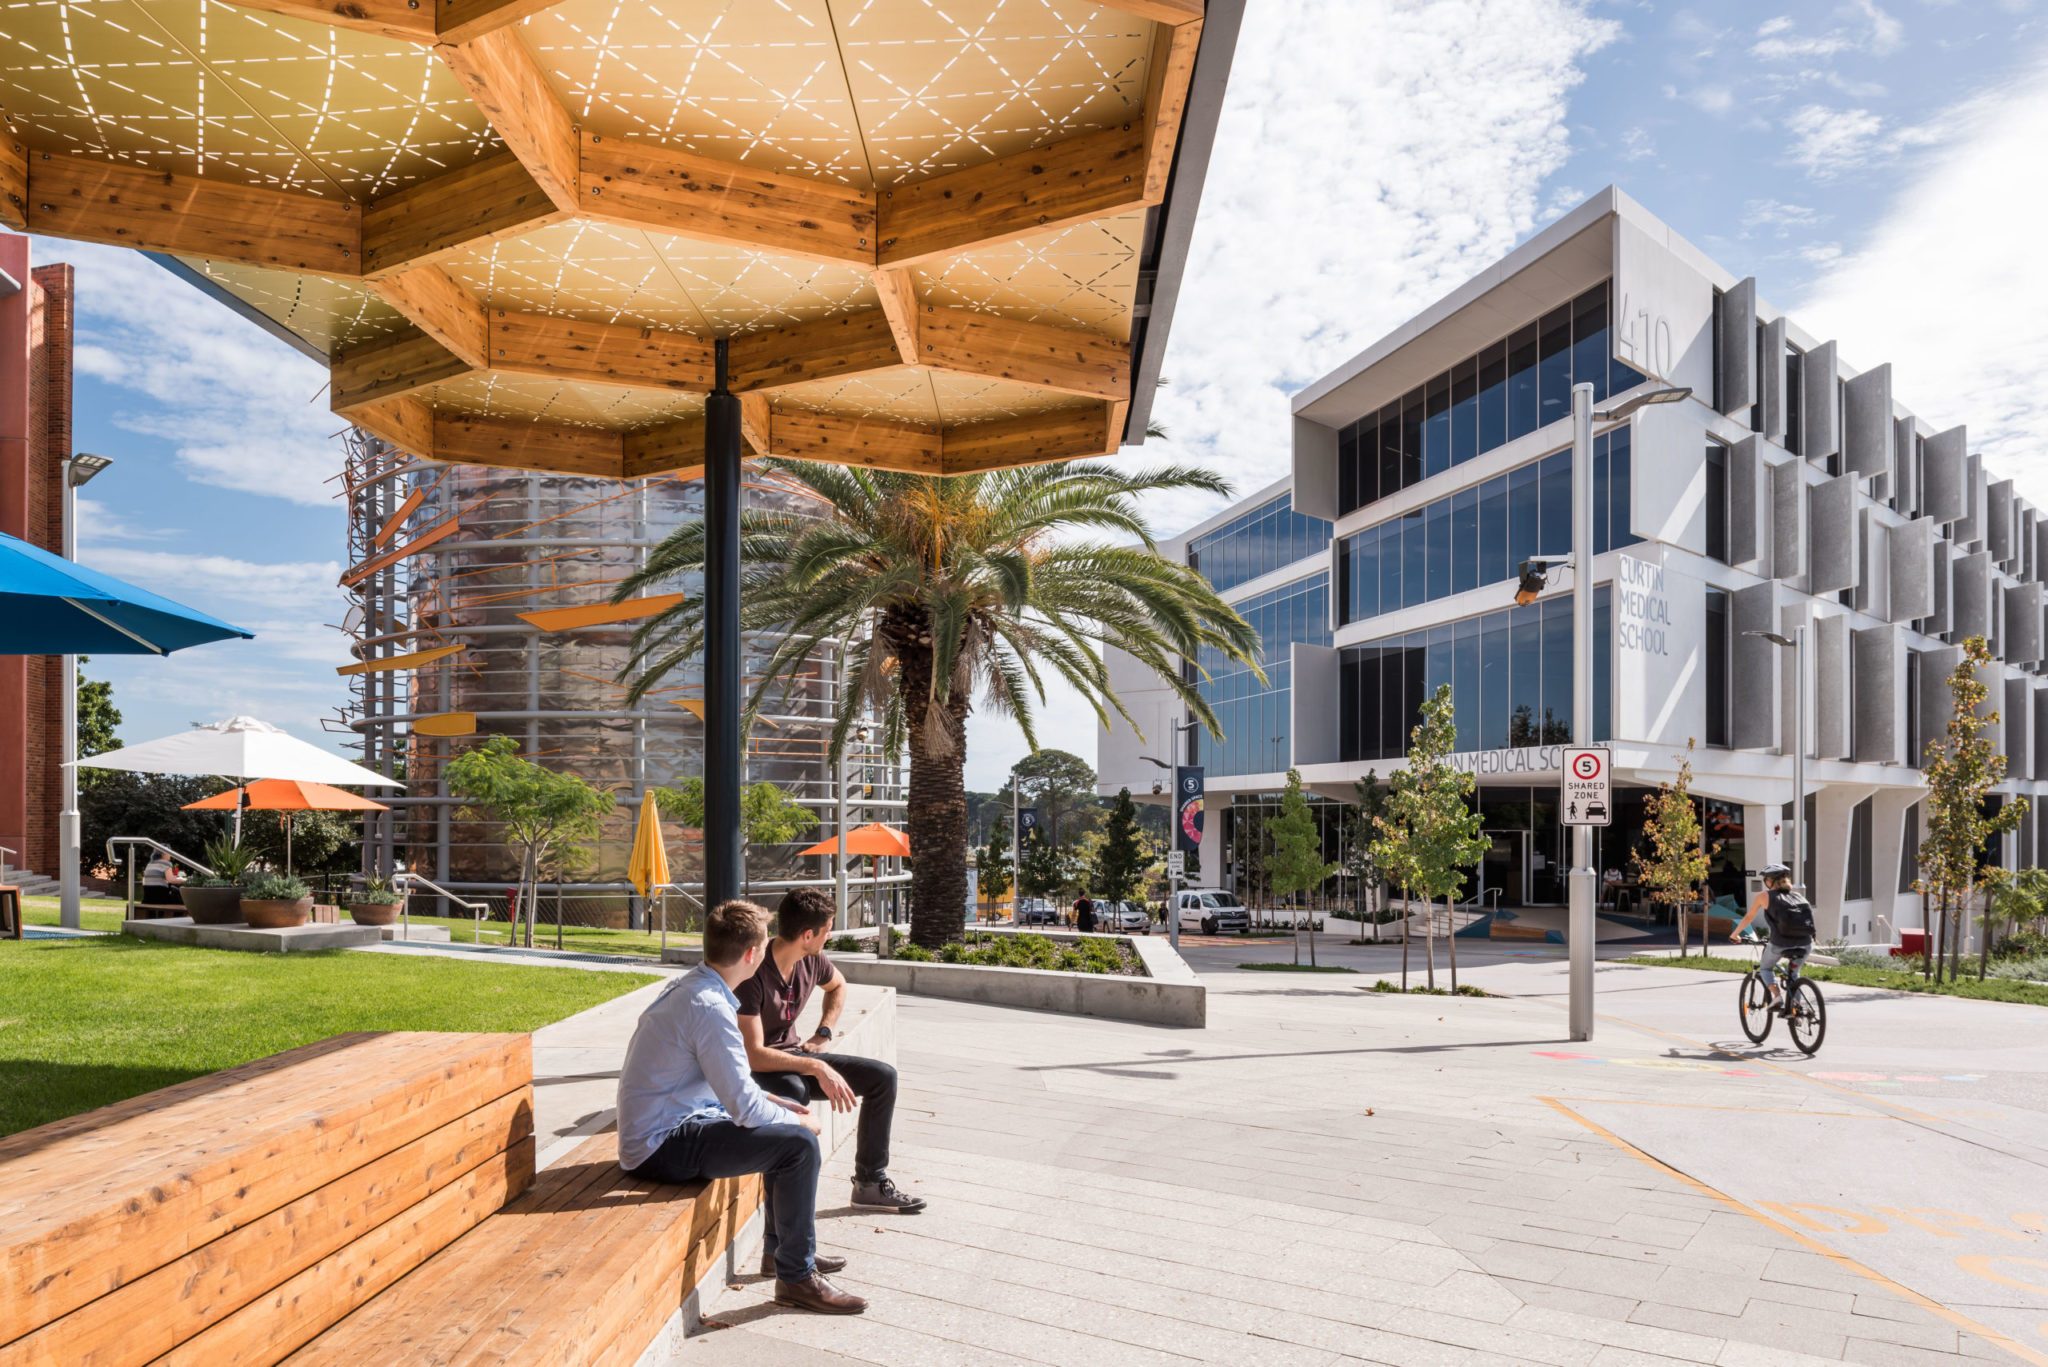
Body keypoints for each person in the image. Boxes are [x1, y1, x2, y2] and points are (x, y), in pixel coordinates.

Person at [615, 899, 866, 1315]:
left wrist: (778, 1101)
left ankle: (783, 1252)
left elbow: (730, 1088)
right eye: (765, 945)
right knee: (798, 1147)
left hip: (673, 1124)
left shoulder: (696, 988)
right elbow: (745, 1112)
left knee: (786, 1126)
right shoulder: (710, 1009)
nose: (768, 951)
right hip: (659, 1145)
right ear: (752, 954)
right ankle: (796, 1277)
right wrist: (801, 1120)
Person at [738, 887, 927, 1220]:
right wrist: (814, 1066)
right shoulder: (753, 973)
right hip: (753, 1071)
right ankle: (786, 1220)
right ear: (808, 935)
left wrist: (823, 1032)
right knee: (795, 1089)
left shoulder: (812, 959)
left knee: (882, 1077)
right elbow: (753, 1055)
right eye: (827, 931)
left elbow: (838, 985)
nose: (829, 937)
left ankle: (870, 1183)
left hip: (795, 1058)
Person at [1731, 863, 1815, 1014]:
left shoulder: (1764, 896)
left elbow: (1749, 917)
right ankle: (1797, 1010)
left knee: (1765, 968)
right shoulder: (1798, 896)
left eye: (1766, 879)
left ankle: (1777, 997)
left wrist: (1735, 934)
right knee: (1794, 974)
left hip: (1780, 943)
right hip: (1806, 944)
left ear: (1770, 881)